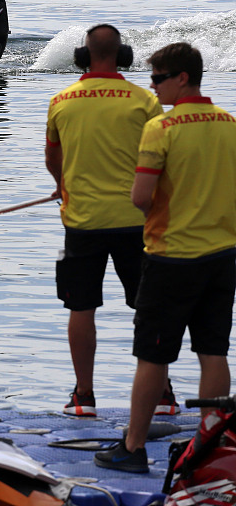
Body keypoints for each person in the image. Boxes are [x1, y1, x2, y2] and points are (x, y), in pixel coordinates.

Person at [95, 42, 236, 474]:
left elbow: (141, 196)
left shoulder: (161, 128)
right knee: (213, 351)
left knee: (153, 357)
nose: (152, 88)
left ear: (182, 78)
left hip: (171, 257)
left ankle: (133, 447)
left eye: (157, 79)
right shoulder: (230, 124)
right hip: (222, 256)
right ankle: (211, 443)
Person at [45, 24, 167, 417]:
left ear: (82, 57)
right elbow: (159, 159)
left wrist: (62, 185)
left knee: (81, 309)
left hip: (83, 221)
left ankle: (84, 396)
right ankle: (162, 393)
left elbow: (53, 157)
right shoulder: (144, 101)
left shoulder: (63, 100)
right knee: (148, 306)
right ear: (124, 57)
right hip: (136, 221)